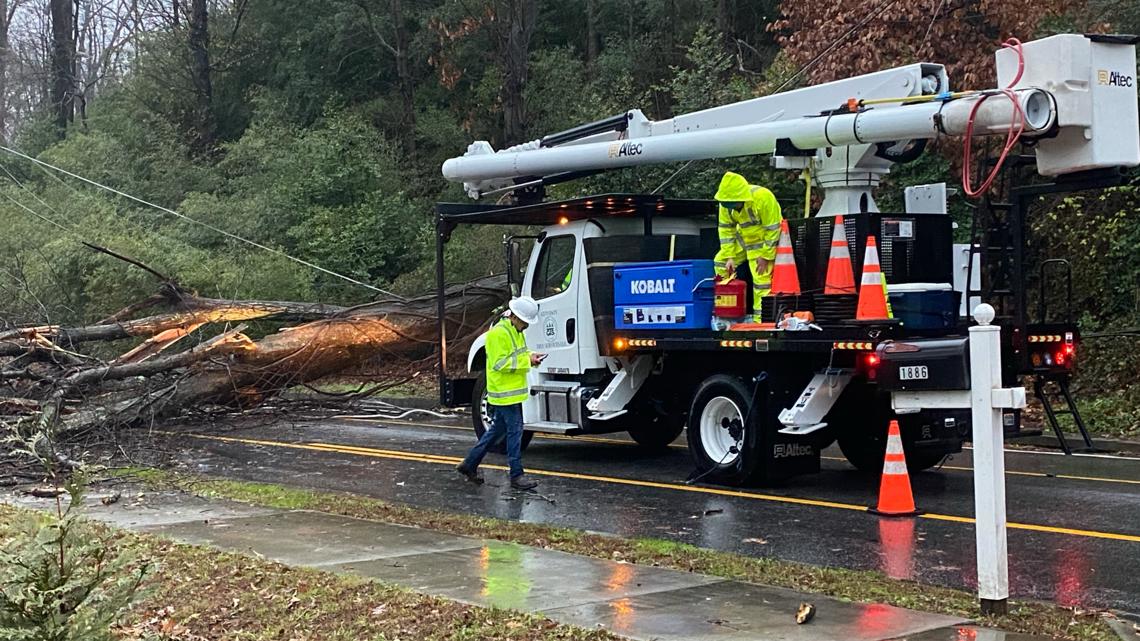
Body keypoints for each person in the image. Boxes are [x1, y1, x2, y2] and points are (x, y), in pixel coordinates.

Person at [457, 296, 545, 490]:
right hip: (504, 392)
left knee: (497, 431)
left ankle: (469, 464)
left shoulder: (515, 330)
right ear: (514, 317)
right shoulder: (498, 334)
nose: (527, 326)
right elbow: (500, 364)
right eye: (525, 321)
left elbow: (518, 353)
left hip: (511, 392)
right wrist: (527, 362)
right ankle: (516, 475)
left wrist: (530, 356)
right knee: (516, 432)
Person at [713, 171, 784, 313]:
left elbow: (774, 229)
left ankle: (761, 322)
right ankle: (728, 308)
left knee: (761, 282)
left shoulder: (763, 197)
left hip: (764, 244)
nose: (728, 207)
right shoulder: (726, 204)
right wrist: (729, 257)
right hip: (744, 239)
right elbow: (726, 231)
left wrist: (766, 256)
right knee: (720, 263)